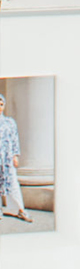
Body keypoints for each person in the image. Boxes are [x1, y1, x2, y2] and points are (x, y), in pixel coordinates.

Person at [0, 93, 32, 223]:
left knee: (13, 183)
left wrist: (15, 155)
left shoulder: (9, 122)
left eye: (1, 104)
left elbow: (14, 139)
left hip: (7, 159)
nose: (0, 107)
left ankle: (21, 210)